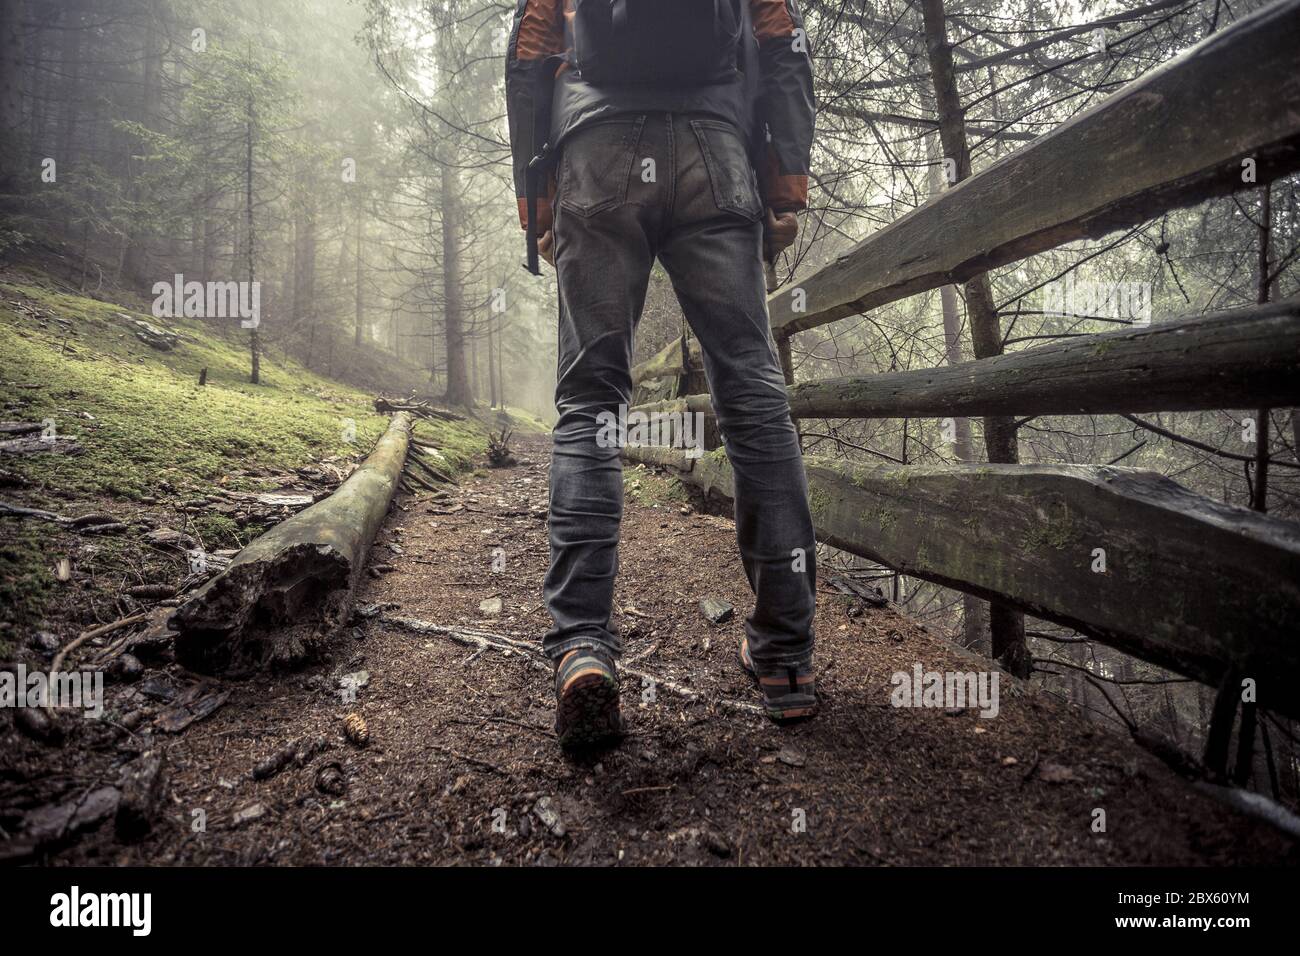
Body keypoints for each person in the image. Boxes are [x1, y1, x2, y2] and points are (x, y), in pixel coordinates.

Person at [506, 0, 818, 749]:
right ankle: (785, 658)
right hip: (715, 152)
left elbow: (528, 53)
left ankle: (583, 644)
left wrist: (538, 204)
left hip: (598, 146)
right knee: (752, 393)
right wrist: (786, 184)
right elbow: (782, 46)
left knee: (589, 401)